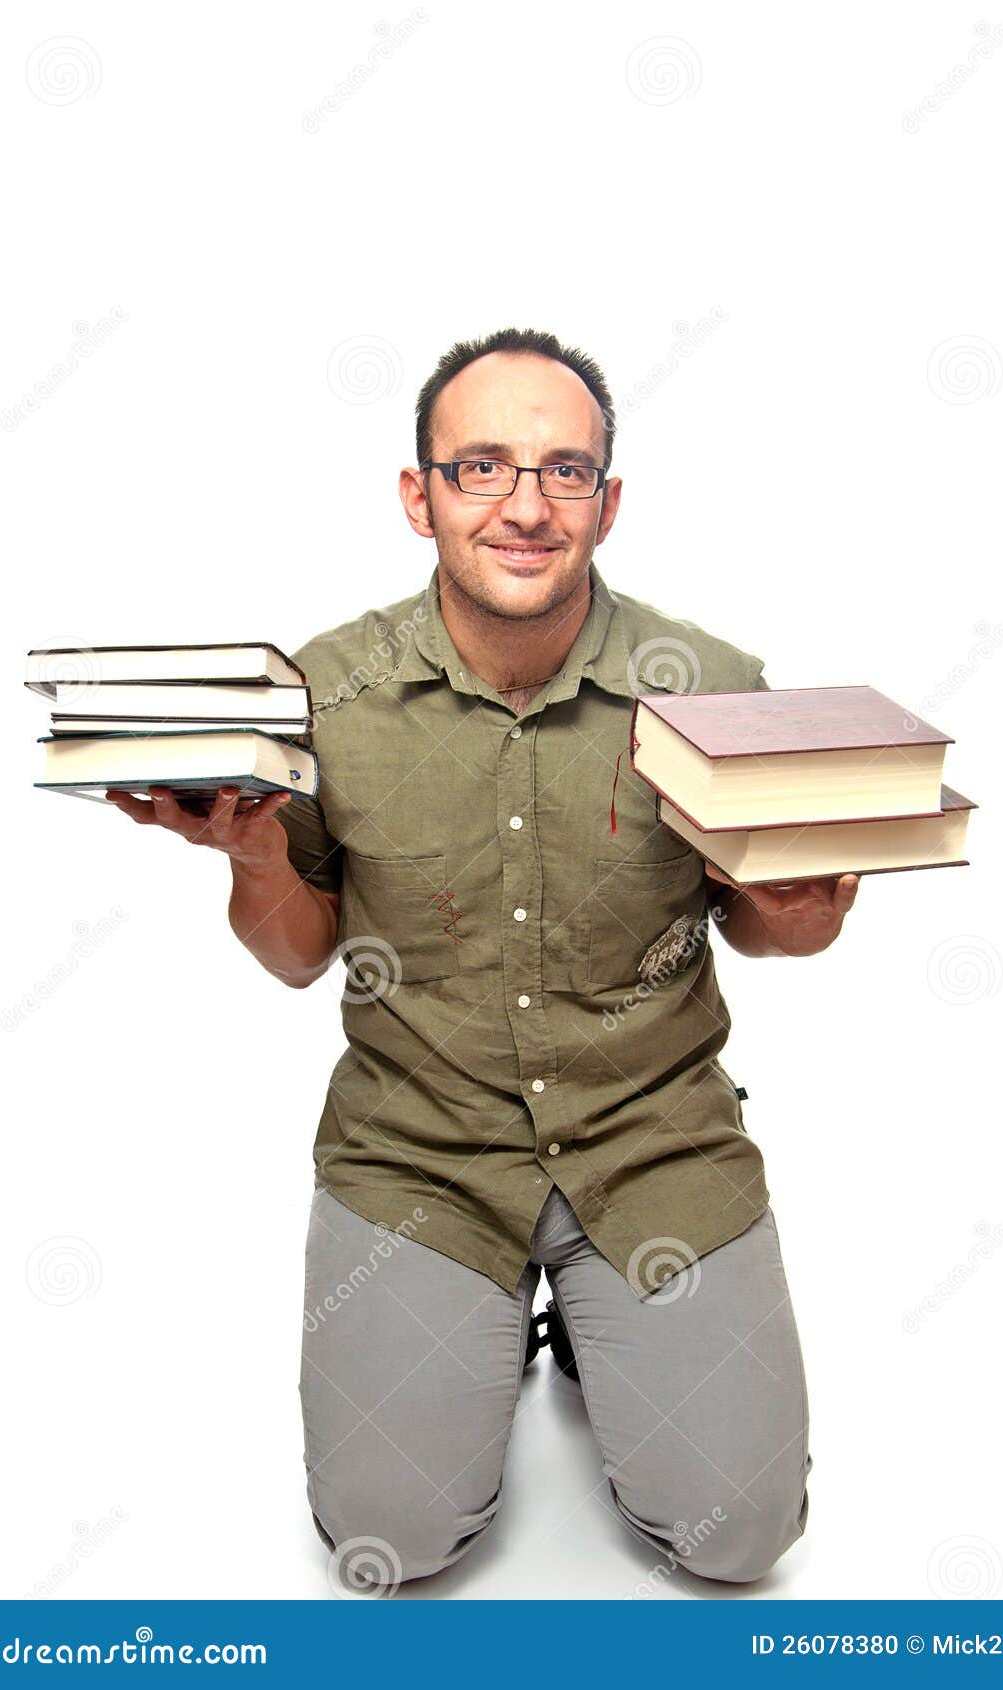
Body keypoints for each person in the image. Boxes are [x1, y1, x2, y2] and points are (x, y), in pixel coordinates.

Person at [105, 327, 859, 1595]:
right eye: (481, 468)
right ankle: (484, 1315)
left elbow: (790, 929)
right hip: (420, 1151)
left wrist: (793, 898)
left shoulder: (713, 688)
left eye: (564, 472)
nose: (524, 505)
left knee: (737, 1539)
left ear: (607, 503)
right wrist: (246, 853)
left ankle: (584, 1332)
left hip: (654, 1144)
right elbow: (297, 959)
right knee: (386, 1549)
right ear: (420, 495)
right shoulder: (322, 694)